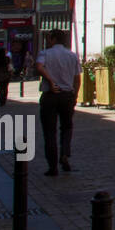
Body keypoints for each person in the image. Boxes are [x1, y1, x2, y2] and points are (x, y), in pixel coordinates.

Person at [36, 31, 81, 176]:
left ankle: (52, 166)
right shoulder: (72, 55)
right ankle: (65, 154)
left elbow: (39, 66)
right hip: (67, 96)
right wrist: (75, 95)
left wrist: (50, 80)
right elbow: (77, 78)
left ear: (53, 39)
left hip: (50, 95)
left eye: (49, 38)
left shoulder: (45, 54)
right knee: (67, 127)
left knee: (49, 132)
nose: (47, 41)